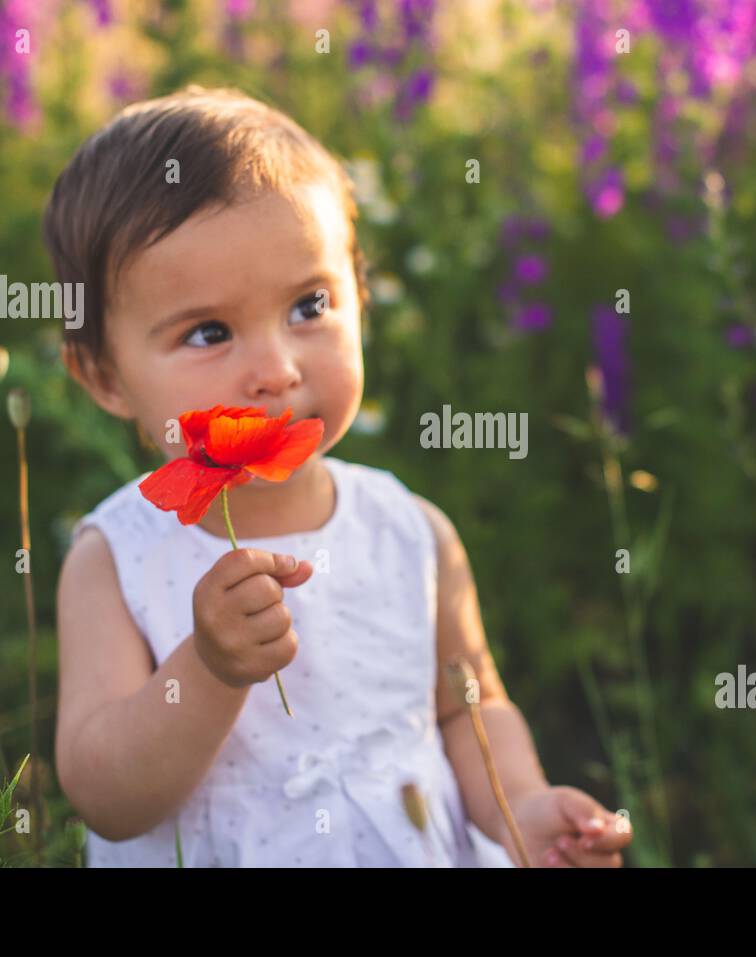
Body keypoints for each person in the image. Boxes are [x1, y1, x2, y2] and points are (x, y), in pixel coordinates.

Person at [43, 86, 631, 867]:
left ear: (361, 294)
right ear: (103, 376)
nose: (276, 369)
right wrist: (208, 670)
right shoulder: (116, 557)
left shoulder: (410, 530)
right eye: (208, 331)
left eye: (309, 304)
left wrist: (518, 804)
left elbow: (470, 709)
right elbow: (103, 793)